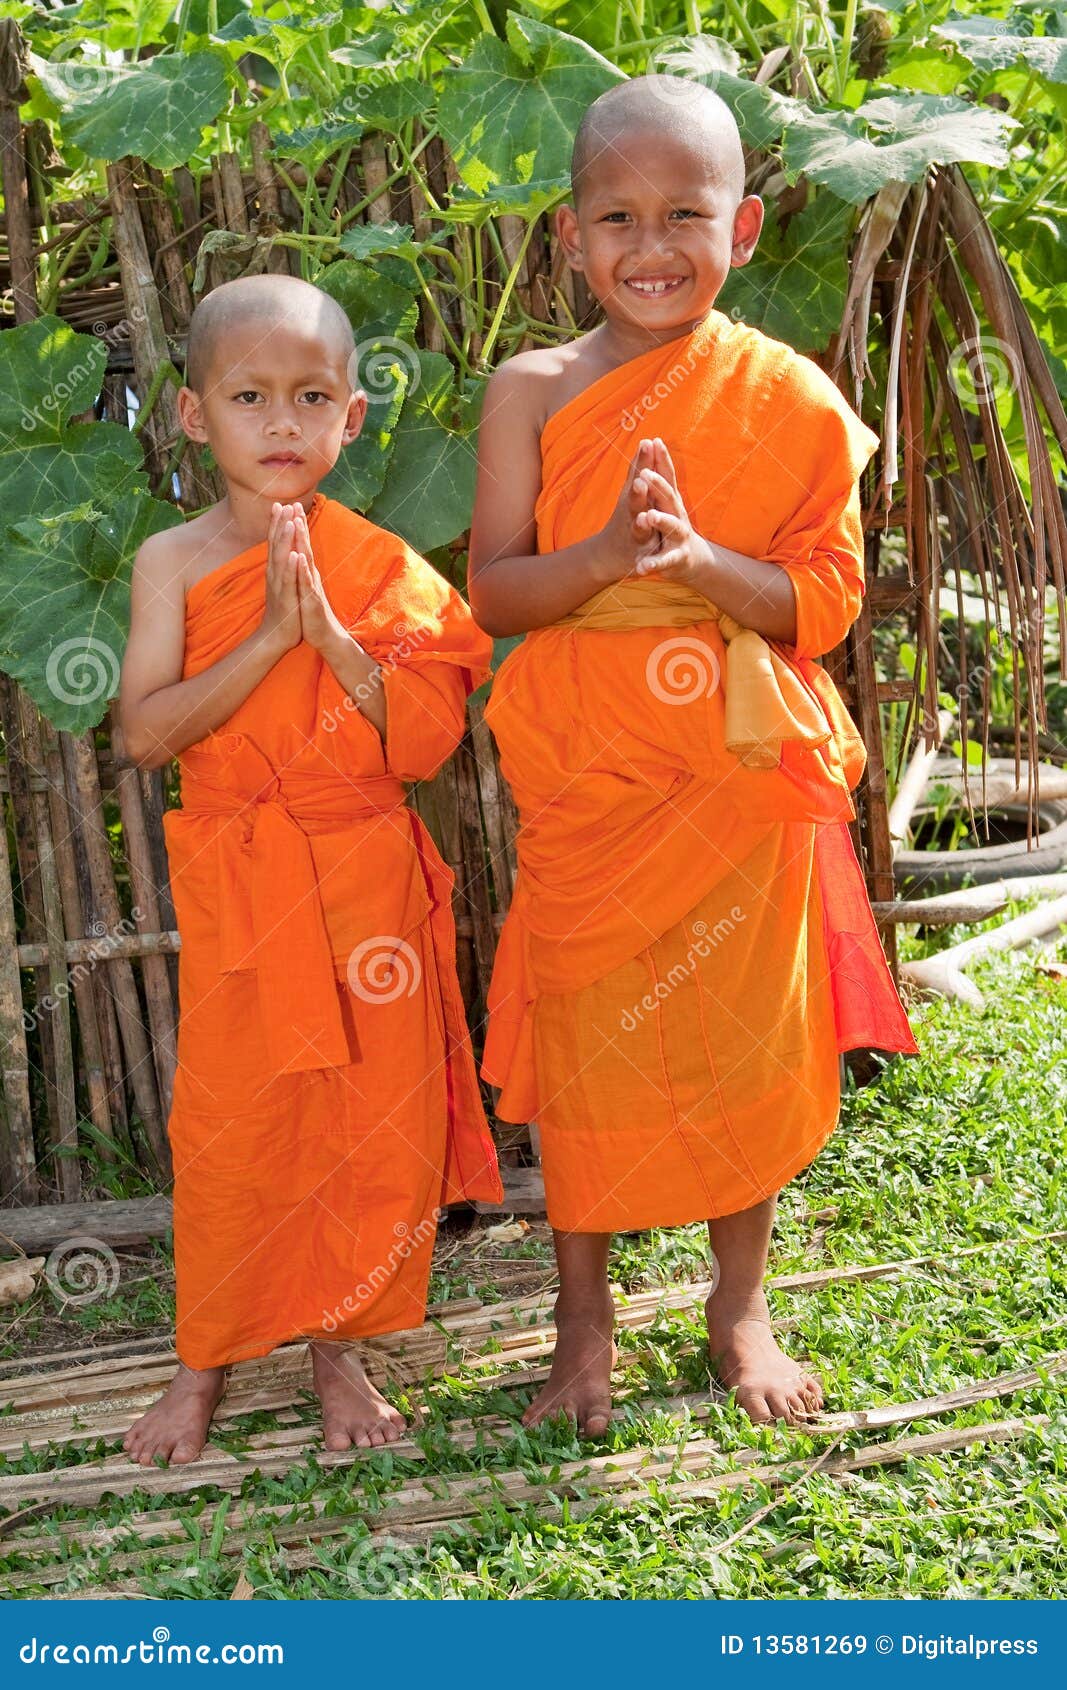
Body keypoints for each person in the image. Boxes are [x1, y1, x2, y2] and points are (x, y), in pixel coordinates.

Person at [468, 77, 919, 1435]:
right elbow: (491, 590)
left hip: (732, 762)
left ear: (744, 225)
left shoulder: (783, 394)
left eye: (685, 213)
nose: (649, 244)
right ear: (566, 235)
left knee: (741, 1035)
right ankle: (582, 1325)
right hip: (589, 766)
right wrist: (604, 558)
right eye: (616, 215)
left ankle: (738, 1306)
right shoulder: (529, 389)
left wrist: (698, 562)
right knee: (590, 1041)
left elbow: (822, 604)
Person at [118, 273, 502, 1466]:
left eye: (311, 397)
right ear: (194, 415)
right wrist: (273, 638)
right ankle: (204, 1361)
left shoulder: (381, 563)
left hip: (361, 879)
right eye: (249, 396)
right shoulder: (172, 563)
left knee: (362, 1126)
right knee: (233, 1123)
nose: (281, 424)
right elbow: (143, 732)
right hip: (244, 882)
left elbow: (425, 743)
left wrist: (330, 634)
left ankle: (342, 1348)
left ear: (349, 419)